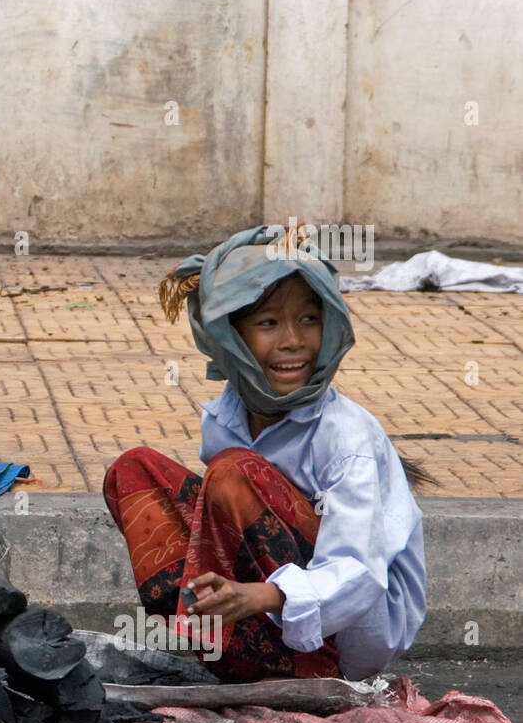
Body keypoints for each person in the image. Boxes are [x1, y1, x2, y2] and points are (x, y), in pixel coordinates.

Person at [102, 224, 428, 683]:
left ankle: (298, 665)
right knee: (133, 470)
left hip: (347, 636)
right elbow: (223, 527)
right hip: (261, 607)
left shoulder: (346, 437)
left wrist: (262, 596)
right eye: (269, 323)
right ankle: (214, 638)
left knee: (232, 473)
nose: (293, 341)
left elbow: (357, 573)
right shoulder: (226, 417)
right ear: (230, 337)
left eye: (309, 319)